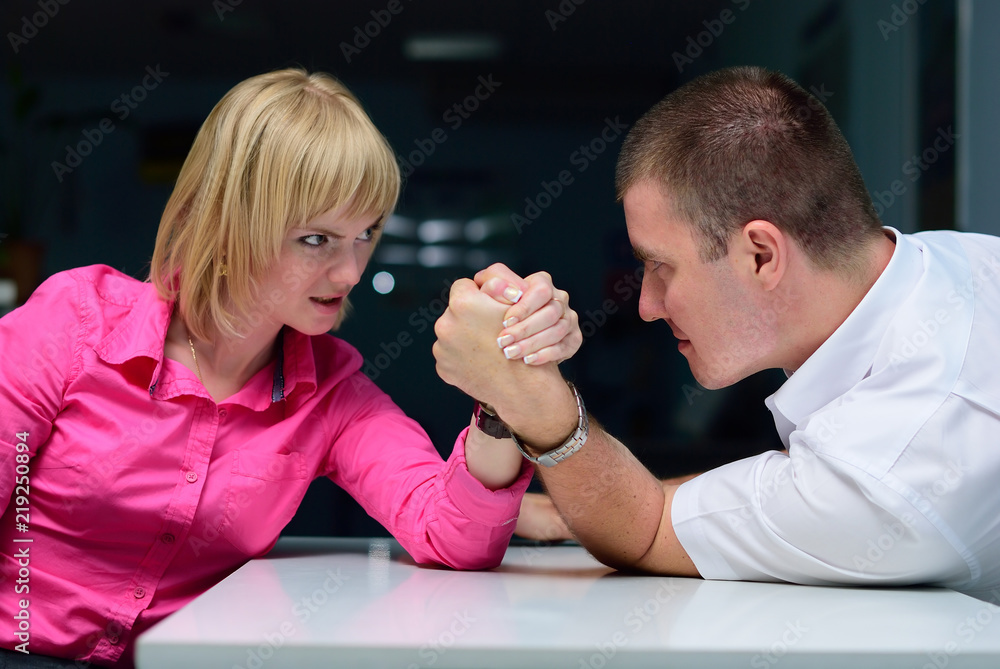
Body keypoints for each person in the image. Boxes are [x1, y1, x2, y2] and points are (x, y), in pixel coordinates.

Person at [0, 68, 578, 668]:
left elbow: (451, 536)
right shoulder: (73, 325)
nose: (352, 272)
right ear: (228, 221)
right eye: (316, 240)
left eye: (365, 234)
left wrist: (508, 379)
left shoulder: (332, 395)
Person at [436, 65, 1000, 605]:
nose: (648, 307)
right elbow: (786, 483)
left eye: (660, 266)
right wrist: (568, 513)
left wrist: (529, 397)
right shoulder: (957, 262)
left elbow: (648, 528)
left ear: (760, 255)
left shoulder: (895, 469)